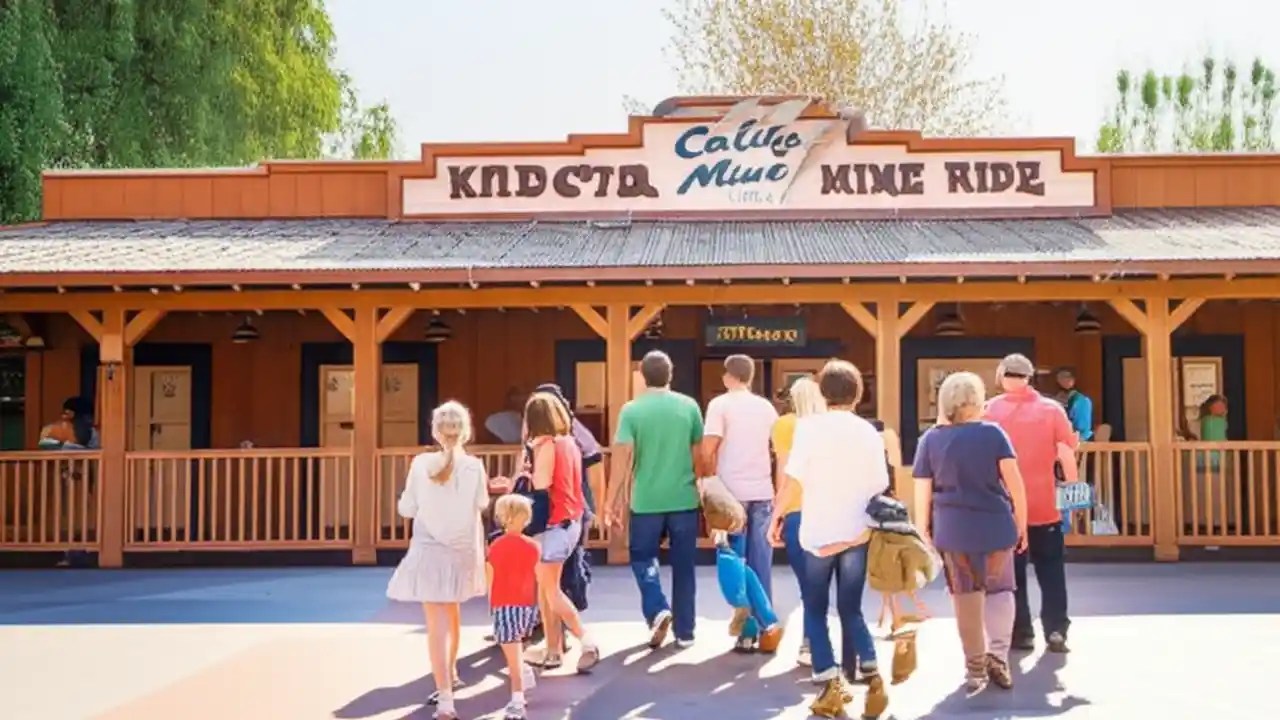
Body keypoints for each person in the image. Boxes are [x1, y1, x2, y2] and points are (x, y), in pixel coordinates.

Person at [778, 360, 888, 710]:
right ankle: (873, 677)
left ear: (823, 393)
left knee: (815, 608)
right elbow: (879, 485)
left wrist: (775, 517)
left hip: (818, 531)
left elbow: (792, 478)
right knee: (852, 608)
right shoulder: (869, 432)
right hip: (857, 530)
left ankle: (830, 684)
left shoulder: (809, 429)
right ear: (858, 393)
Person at [913, 371, 1029, 692]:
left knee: (966, 596)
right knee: (1001, 592)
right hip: (996, 524)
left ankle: (974, 666)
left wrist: (922, 530)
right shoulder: (994, 434)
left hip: (953, 529)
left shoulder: (931, 439)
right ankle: (999, 656)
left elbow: (922, 490)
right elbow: (1015, 484)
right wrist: (1022, 523)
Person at [386, 401, 489, 720]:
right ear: (466, 431)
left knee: (436, 625)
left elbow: (407, 508)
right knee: (453, 612)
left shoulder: (420, 463)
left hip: (430, 548)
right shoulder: (474, 466)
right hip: (462, 550)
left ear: (435, 430)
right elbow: (482, 503)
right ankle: (454, 674)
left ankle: (445, 696)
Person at [603, 350, 703, 649]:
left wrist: (612, 499)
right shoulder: (689, 407)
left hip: (645, 499)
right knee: (685, 566)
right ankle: (685, 632)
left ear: (643, 376)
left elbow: (622, 458)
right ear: (671, 374)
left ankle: (657, 607)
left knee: (643, 557)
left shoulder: (632, 411)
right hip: (684, 497)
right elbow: (699, 454)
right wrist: (702, 486)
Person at [984, 353, 1078, 654]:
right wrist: (1072, 489)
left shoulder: (989, 411)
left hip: (1005, 507)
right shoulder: (1053, 410)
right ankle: (1056, 629)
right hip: (1046, 503)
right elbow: (1066, 452)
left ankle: (1021, 632)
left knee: (1013, 574)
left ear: (1001, 376)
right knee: (1052, 569)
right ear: (1030, 376)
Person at [702, 354, 779, 650]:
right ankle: (766, 629)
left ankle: (748, 630)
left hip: (731, 493)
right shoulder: (766, 407)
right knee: (761, 564)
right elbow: (774, 448)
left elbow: (709, 448)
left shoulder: (719, 405)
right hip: (762, 490)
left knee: (735, 562)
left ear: (727, 376)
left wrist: (707, 481)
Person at [522, 392, 599, 672]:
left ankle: (585, 639)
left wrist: (527, 470)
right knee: (545, 587)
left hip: (552, 525)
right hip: (572, 520)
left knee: (551, 590)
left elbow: (541, 484)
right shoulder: (570, 443)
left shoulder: (547, 446)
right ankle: (552, 649)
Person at [768, 375, 826, 667]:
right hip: (828, 510)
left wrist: (777, 511)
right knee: (822, 584)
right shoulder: (828, 426)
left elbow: (784, 471)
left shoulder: (785, 425)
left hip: (796, 510)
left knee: (807, 584)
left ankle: (811, 642)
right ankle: (815, 642)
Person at [487, 494, 542, 720]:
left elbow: (489, 577)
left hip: (503, 602)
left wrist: (490, 602)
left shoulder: (496, 546)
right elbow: (537, 577)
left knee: (510, 650)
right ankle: (525, 673)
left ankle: (517, 699)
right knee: (516, 644)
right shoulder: (534, 546)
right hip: (527, 604)